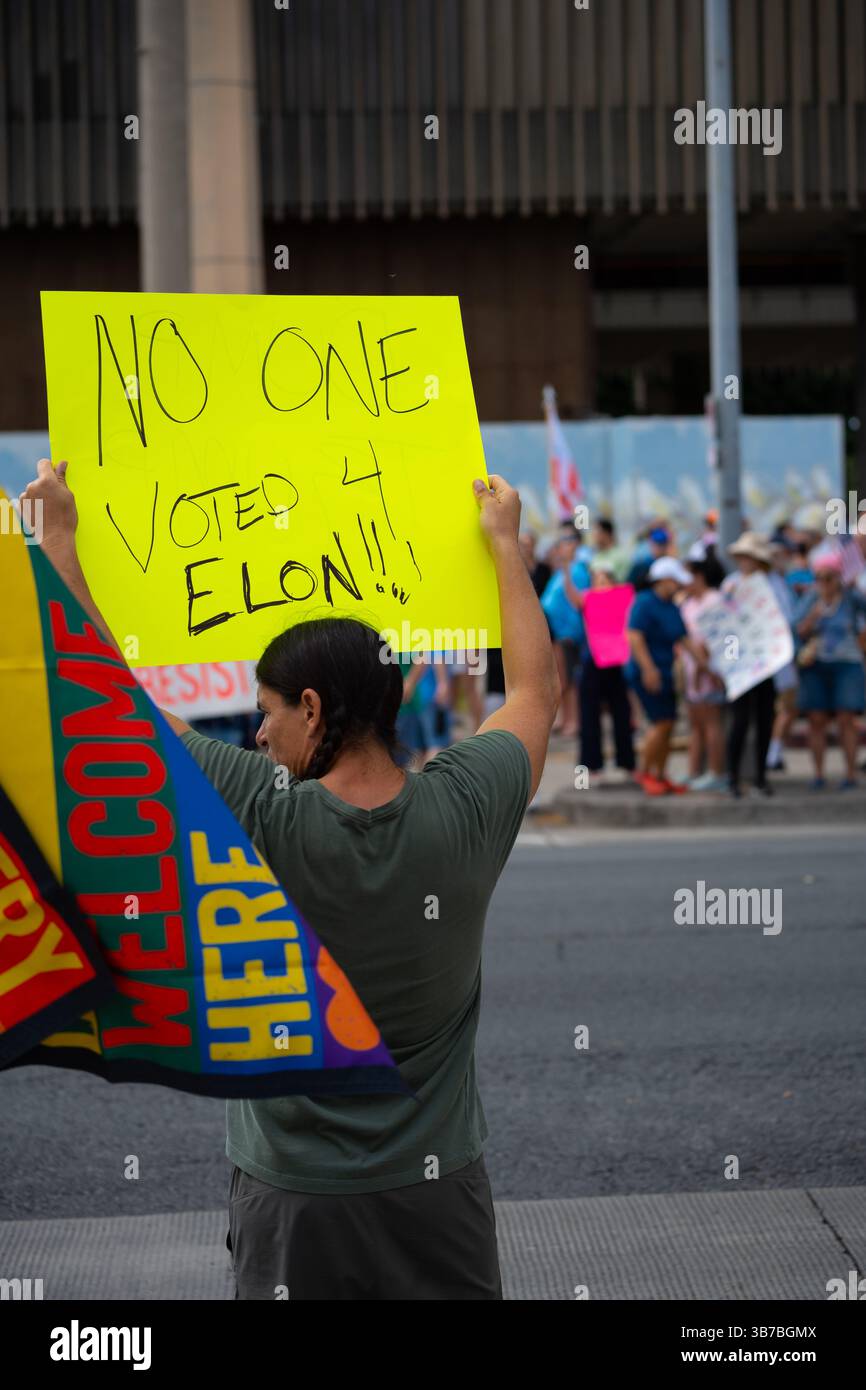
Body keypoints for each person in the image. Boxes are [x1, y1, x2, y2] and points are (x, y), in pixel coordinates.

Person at [22, 457, 560, 1302]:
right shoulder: (468, 805)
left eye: (268, 710)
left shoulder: (259, 813)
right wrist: (505, 546)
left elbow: (112, 708)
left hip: (295, 1197)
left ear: (312, 708)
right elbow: (535, 690)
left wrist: (59, 541)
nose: (260, 734)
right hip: (438, 1189)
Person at [626, 556, 710, 795]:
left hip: (665, 673)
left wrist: (704, 665)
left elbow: (683, 639)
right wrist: (648, 669)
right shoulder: (644, 602)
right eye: (675, 581)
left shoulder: (672, 607)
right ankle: (644, 772)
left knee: (670, 723)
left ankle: (660, 774)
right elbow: (635, 637)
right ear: (663, 580)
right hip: (648, 673)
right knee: (661, 723)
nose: (679, 586)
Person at [794, 550, 866, 789]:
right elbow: (797, 630)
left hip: (847, 663)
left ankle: (850, 774)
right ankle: (818, 774)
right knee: (817, 719)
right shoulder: (809, 599)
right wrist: (813, 616)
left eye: (830, 577)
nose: (825, 583)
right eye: (820, 578)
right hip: (815, 665)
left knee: (847, 718)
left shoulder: (852, 598)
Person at [564, 560, 636, 786]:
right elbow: (574, 598)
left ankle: (627, 763)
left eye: (605, 579)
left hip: (615, 664)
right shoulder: (587, 599)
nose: (601, 584)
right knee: (589, 717)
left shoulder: (623, 599)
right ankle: (591, 765)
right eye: (597, 580)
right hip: (593, 663)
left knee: (622, 714)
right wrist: (565, 570)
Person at [723, 531, 779, 798]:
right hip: (741, 664)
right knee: (740, 721)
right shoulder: (731, 584)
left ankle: (760, 777)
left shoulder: (773, 584)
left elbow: (783, 619)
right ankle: (733, 777)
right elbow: (723, 624)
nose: (744, 562)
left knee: (765, 720)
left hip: (766, 661)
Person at [681, 547, 728, 791]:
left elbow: (713, 639)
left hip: (710, 673)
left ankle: (717, 772)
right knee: (696, 724)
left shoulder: (714, 600)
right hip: (693, 673)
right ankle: (693, 771)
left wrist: (704, 670)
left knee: (711, 723)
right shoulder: (688, 604)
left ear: (699, 576)